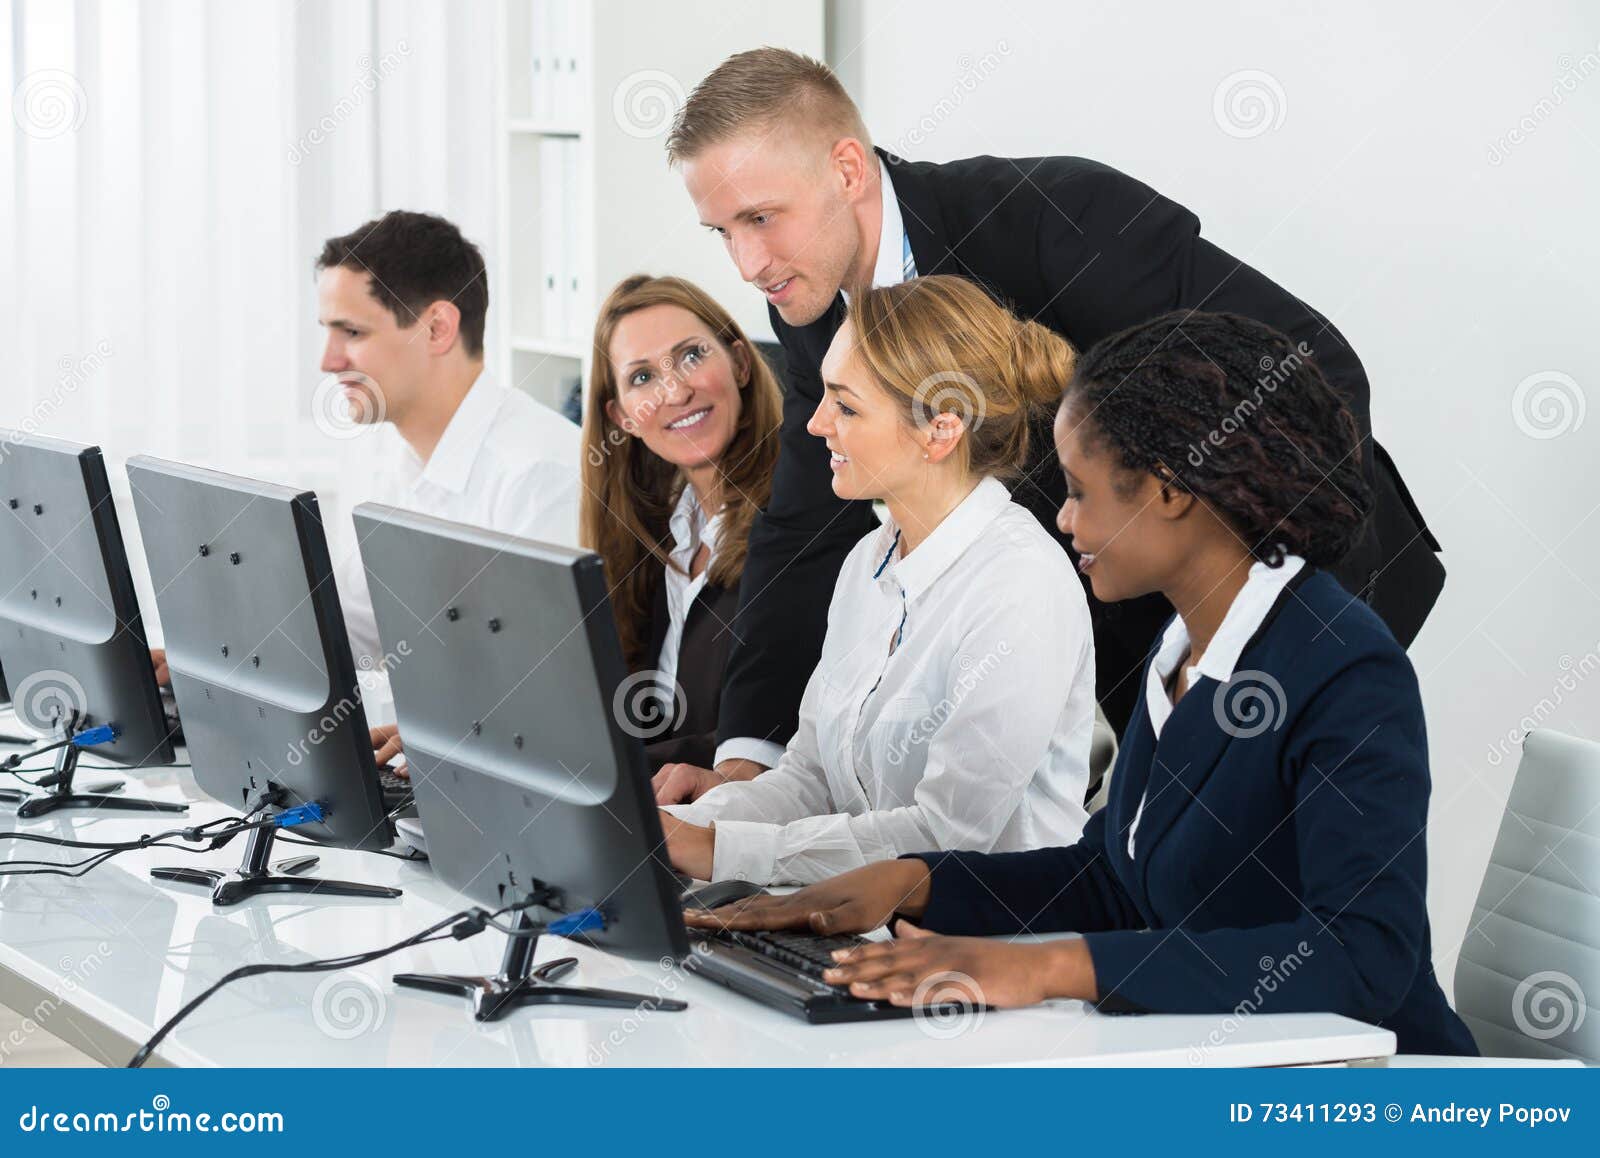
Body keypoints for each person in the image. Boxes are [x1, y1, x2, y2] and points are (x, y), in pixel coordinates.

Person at [686, 311, 1477, 1057]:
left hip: (1381, 1088)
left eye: (1080, 491)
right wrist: (910, 881)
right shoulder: (1182, 645)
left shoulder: (1343, 666)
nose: (1064, 520)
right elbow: (1110, 878)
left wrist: (1049, 968)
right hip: (1217, 1060)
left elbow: (1363, 955)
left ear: (1169, 492)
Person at [667, 47, 1443, 789]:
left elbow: (1310, 372)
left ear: (845, 169)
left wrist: (1227, 639)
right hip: (1126, 645)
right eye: (723, 232)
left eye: (761, 219)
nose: (746, 264)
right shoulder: (811, 311)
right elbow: (805, 530)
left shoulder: (1050, 218)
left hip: (1310, 586)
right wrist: (748, 759)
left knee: (1291, 893)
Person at [657, 276, 1098, 887]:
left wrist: (723, 851)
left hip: (977, 955)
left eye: (846, 405)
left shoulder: (1020, 586)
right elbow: (810, 776)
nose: (814, 425)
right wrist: (678, 828)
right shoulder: (868, 561)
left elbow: (944, 838)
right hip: (853, 926)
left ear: (939, 430)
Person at [152, 211, 582, 713]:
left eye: (352, 332)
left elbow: (541, 691)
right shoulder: (402, 469)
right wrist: (196, 662)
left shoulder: (540, 475)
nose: (329, 361)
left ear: (438, 328)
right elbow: (349, 630)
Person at [579, 274, 782, 769]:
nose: (675, 391)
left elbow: (774, 740)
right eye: (642, 377)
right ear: (622, 417)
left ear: (738, 362)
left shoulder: (794, 529)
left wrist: (583, 763)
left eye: (691, 355)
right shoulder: (658, 537)